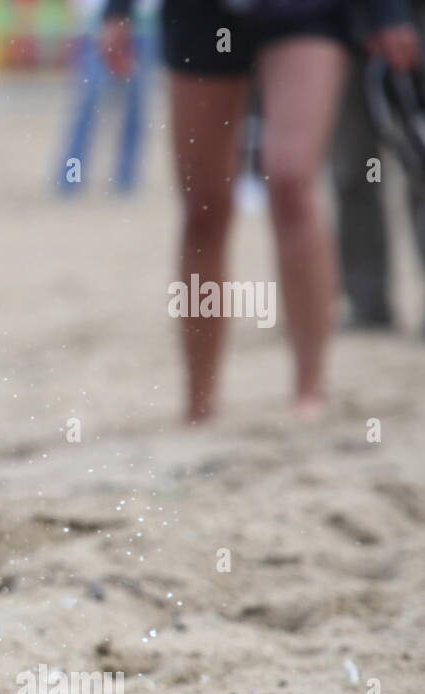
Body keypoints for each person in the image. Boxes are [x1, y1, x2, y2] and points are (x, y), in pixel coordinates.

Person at [101, 0, 419, 423]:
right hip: (201, 13)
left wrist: (387, 13)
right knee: (203, 207)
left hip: (306, 13)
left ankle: (310, 389)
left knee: (291, 181)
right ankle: (199, 401)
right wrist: (116, 10)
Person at [331, 0, 425, 333]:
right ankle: (366, 304)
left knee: (419, 164)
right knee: (351, 171)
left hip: (412, 21)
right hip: (340, 25)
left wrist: (392, 16)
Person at [57, 0, 156, 195]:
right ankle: (71, 178)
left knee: (133, 109)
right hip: (95, 21)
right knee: (87, 107)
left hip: (141, 22)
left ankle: (125, 180)